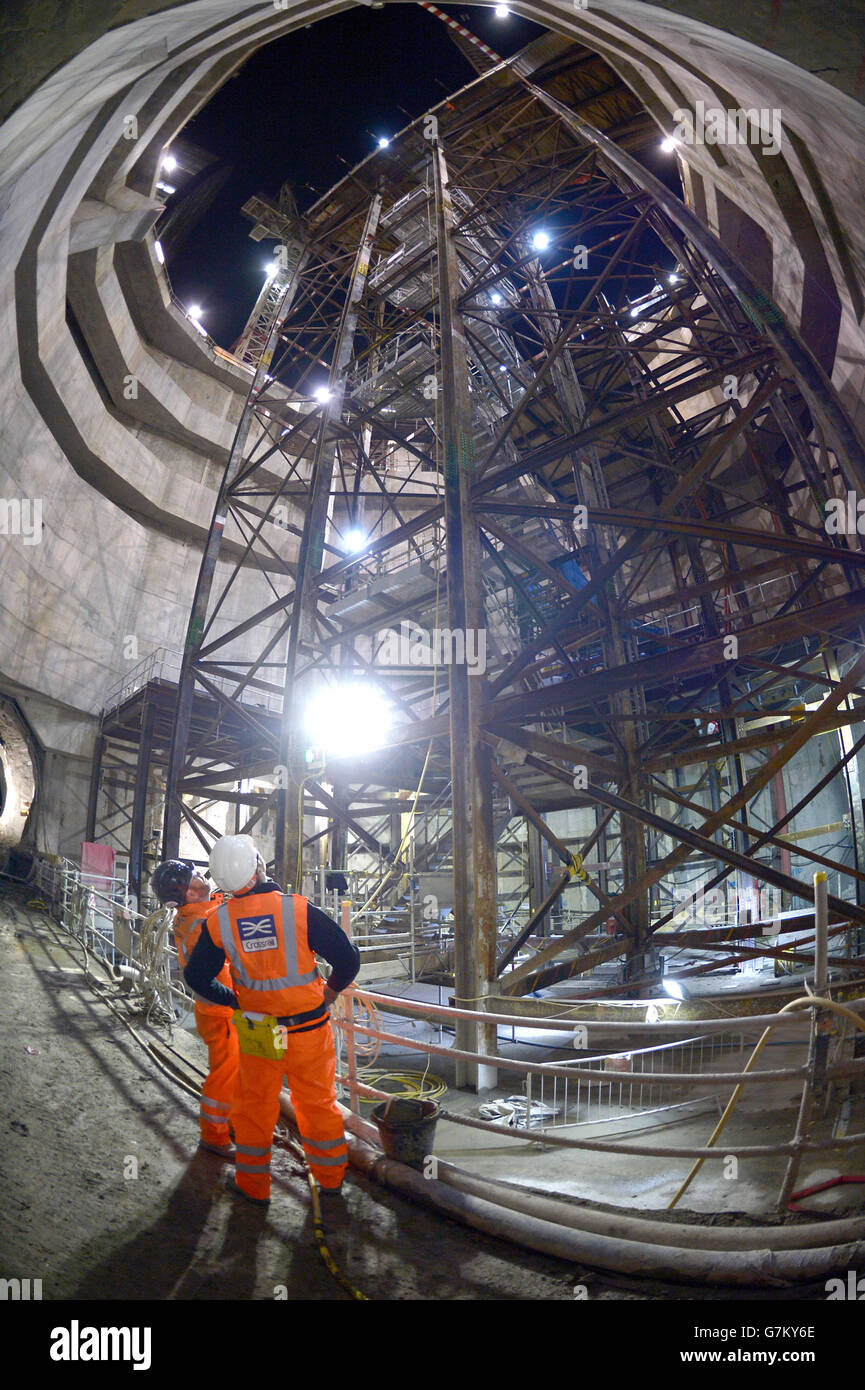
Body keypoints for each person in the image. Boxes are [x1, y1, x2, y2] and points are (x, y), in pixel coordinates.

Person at [182, 835, 360, 1206]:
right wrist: (329, 993)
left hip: (259, 1031)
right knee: (316, 1104)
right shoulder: (297, 909)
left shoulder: (219, 922)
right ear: (259, 866)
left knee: (253, 1105)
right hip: (309, 1030)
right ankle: (329, 1182)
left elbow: (197, 978)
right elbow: (347, 959)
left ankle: (252, 1186)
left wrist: (233, 1001)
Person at [151, 859, 239, 1158]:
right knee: (224, 1073)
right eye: (194, 877)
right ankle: (215, 1135)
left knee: (230, 1069)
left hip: (214, 1005)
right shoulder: (204, 921)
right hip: (221, 1005)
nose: (202, 876)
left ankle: (233, 1121)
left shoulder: (195, 915)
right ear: (187, 894)